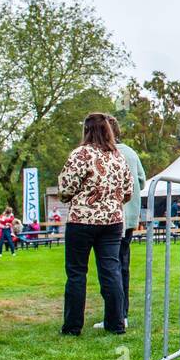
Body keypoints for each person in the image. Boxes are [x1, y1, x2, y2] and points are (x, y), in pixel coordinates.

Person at [58, 112, 131, 335]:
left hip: (82, 220)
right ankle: (116, 322)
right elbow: (128, 191)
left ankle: (72, 326)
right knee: (111, 271)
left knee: (77, 272)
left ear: (87, 130)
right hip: (112, 221)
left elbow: (65, 189)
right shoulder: (118, 157)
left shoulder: (80, 154)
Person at [107, 115, 146, 326]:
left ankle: (116, 314)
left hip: (112, 216)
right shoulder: (131, 153)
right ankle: (123, 312)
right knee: (123, 263)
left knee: (111, 265)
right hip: (130, 216)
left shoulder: (107, 153)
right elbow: (142, 179)